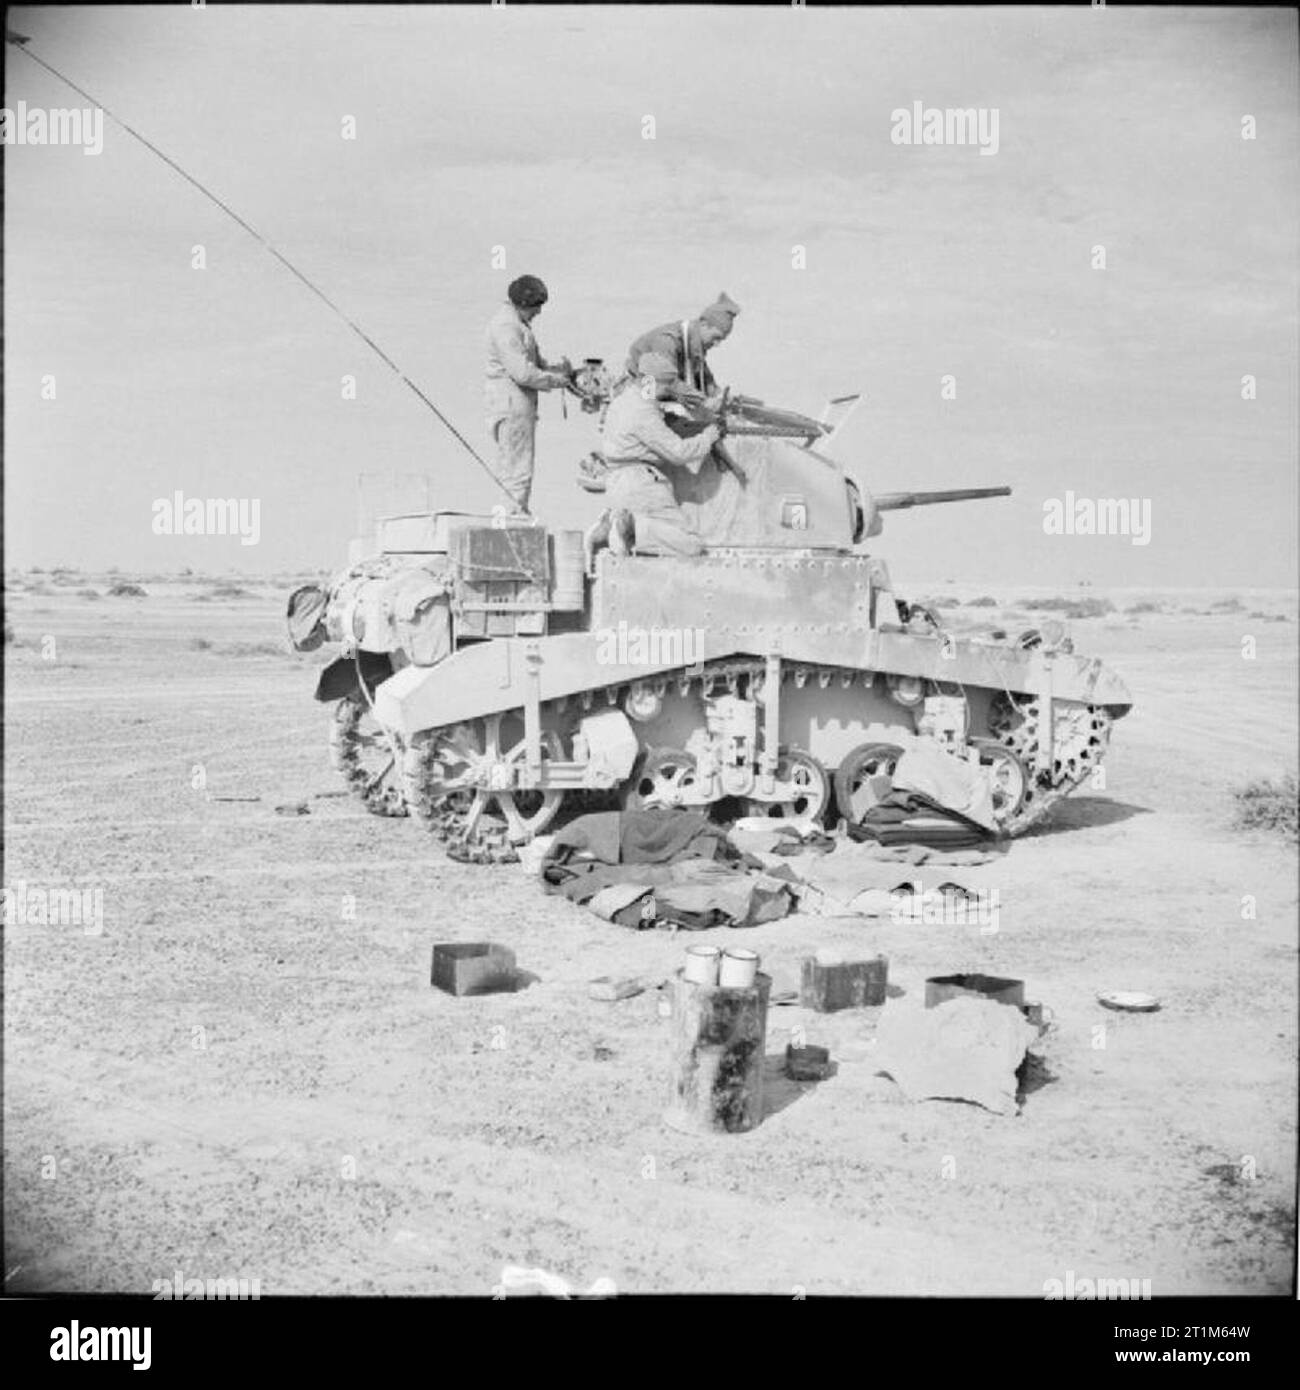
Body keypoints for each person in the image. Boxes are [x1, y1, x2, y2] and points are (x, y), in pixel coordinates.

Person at [585, 352, 723, 561]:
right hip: (642, 484)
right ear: (649, 381)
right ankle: (632, 528)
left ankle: (612, 529)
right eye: (666, 385)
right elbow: (679, 453)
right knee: (690, 545)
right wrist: (709, 437)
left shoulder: (622, 401)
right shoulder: (643, 411)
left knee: (645, 554)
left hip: (618, 484)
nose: (668, 390)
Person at [484, 275, 572, 514]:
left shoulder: (516, 325)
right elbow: (522, 373)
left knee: (513, 468)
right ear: (523, 303)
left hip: (513, 405)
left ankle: (514, 514)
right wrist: (555, 380)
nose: (539, 312)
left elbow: (531, 364)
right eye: (536, 307)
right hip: (513, 406)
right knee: (517, 469)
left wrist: (557, 371)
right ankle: (513, 518)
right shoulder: (507, 326)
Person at [623, 293, 739, 411]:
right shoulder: (667, 341)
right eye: (716, 337)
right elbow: (666, 383)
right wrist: (703, 401)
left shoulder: (694, 348)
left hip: (658, 401)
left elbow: (705, 380)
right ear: (704, 325)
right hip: (638, 401)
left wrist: (720, 397)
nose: (716, 344)